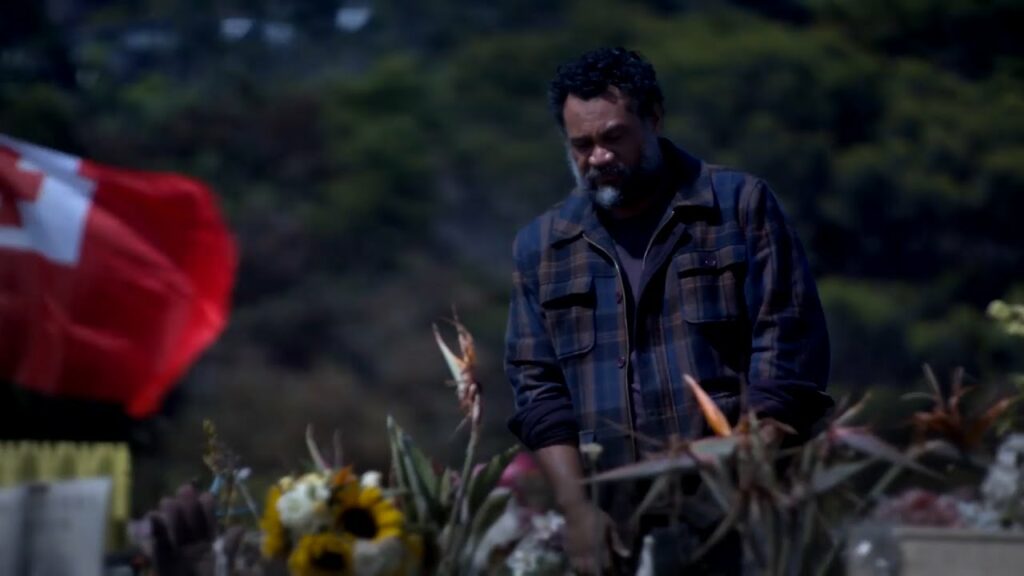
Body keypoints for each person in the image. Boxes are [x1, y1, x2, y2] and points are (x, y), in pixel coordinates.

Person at [504, 47, 833, 574]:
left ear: (654, 118)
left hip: (739, 514)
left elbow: (788, 352)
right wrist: (576, 511)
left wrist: (751, 473)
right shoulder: (542, 246)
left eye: (614, 137)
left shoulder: (738, 206)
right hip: (615, 526)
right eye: (582, 145)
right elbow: (538, 393)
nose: (599, 157)